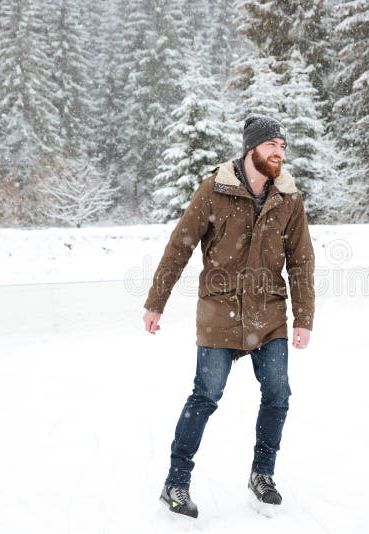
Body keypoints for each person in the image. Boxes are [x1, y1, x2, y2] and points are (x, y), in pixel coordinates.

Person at [142, 114, 315, 518]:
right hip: (220, 311)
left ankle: (262, 474)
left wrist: (303, 318)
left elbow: (302, 262)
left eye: (283, 146)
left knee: (278, 394)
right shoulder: (215, 190)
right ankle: (176, 483)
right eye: (272, 144)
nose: (279, 152)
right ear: (251, 148)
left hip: (268, 314)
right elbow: (179, 247)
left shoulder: (289, 198)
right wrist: (156, 301)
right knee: (205, 396)